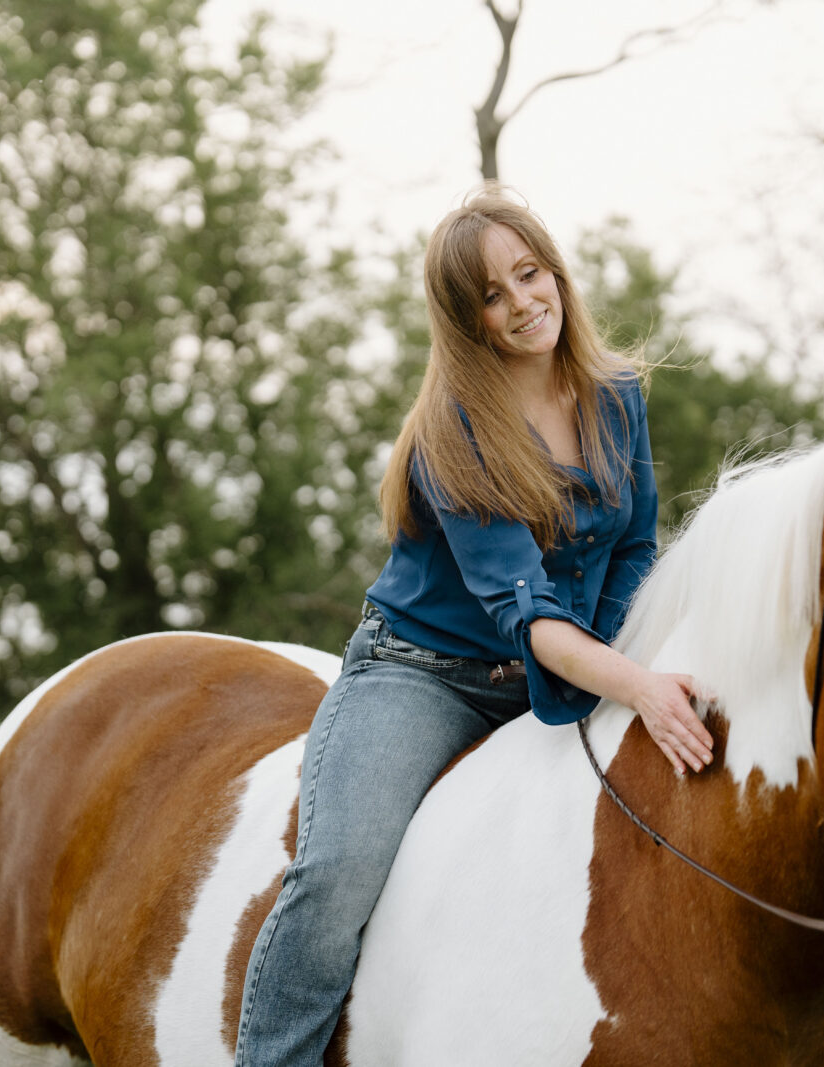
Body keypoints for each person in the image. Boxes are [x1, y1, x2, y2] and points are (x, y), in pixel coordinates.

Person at [233, 186, 715, 1067]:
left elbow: (637, 544)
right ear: (468, 321)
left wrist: (609, 659)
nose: (523, 302)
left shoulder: (616, 396)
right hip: (424, 673)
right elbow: (525, 613)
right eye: (492, 295)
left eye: (529, 274)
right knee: (337, 875)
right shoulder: (453, 431)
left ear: (555, 273)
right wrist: (633, 685)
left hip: (563, 670)